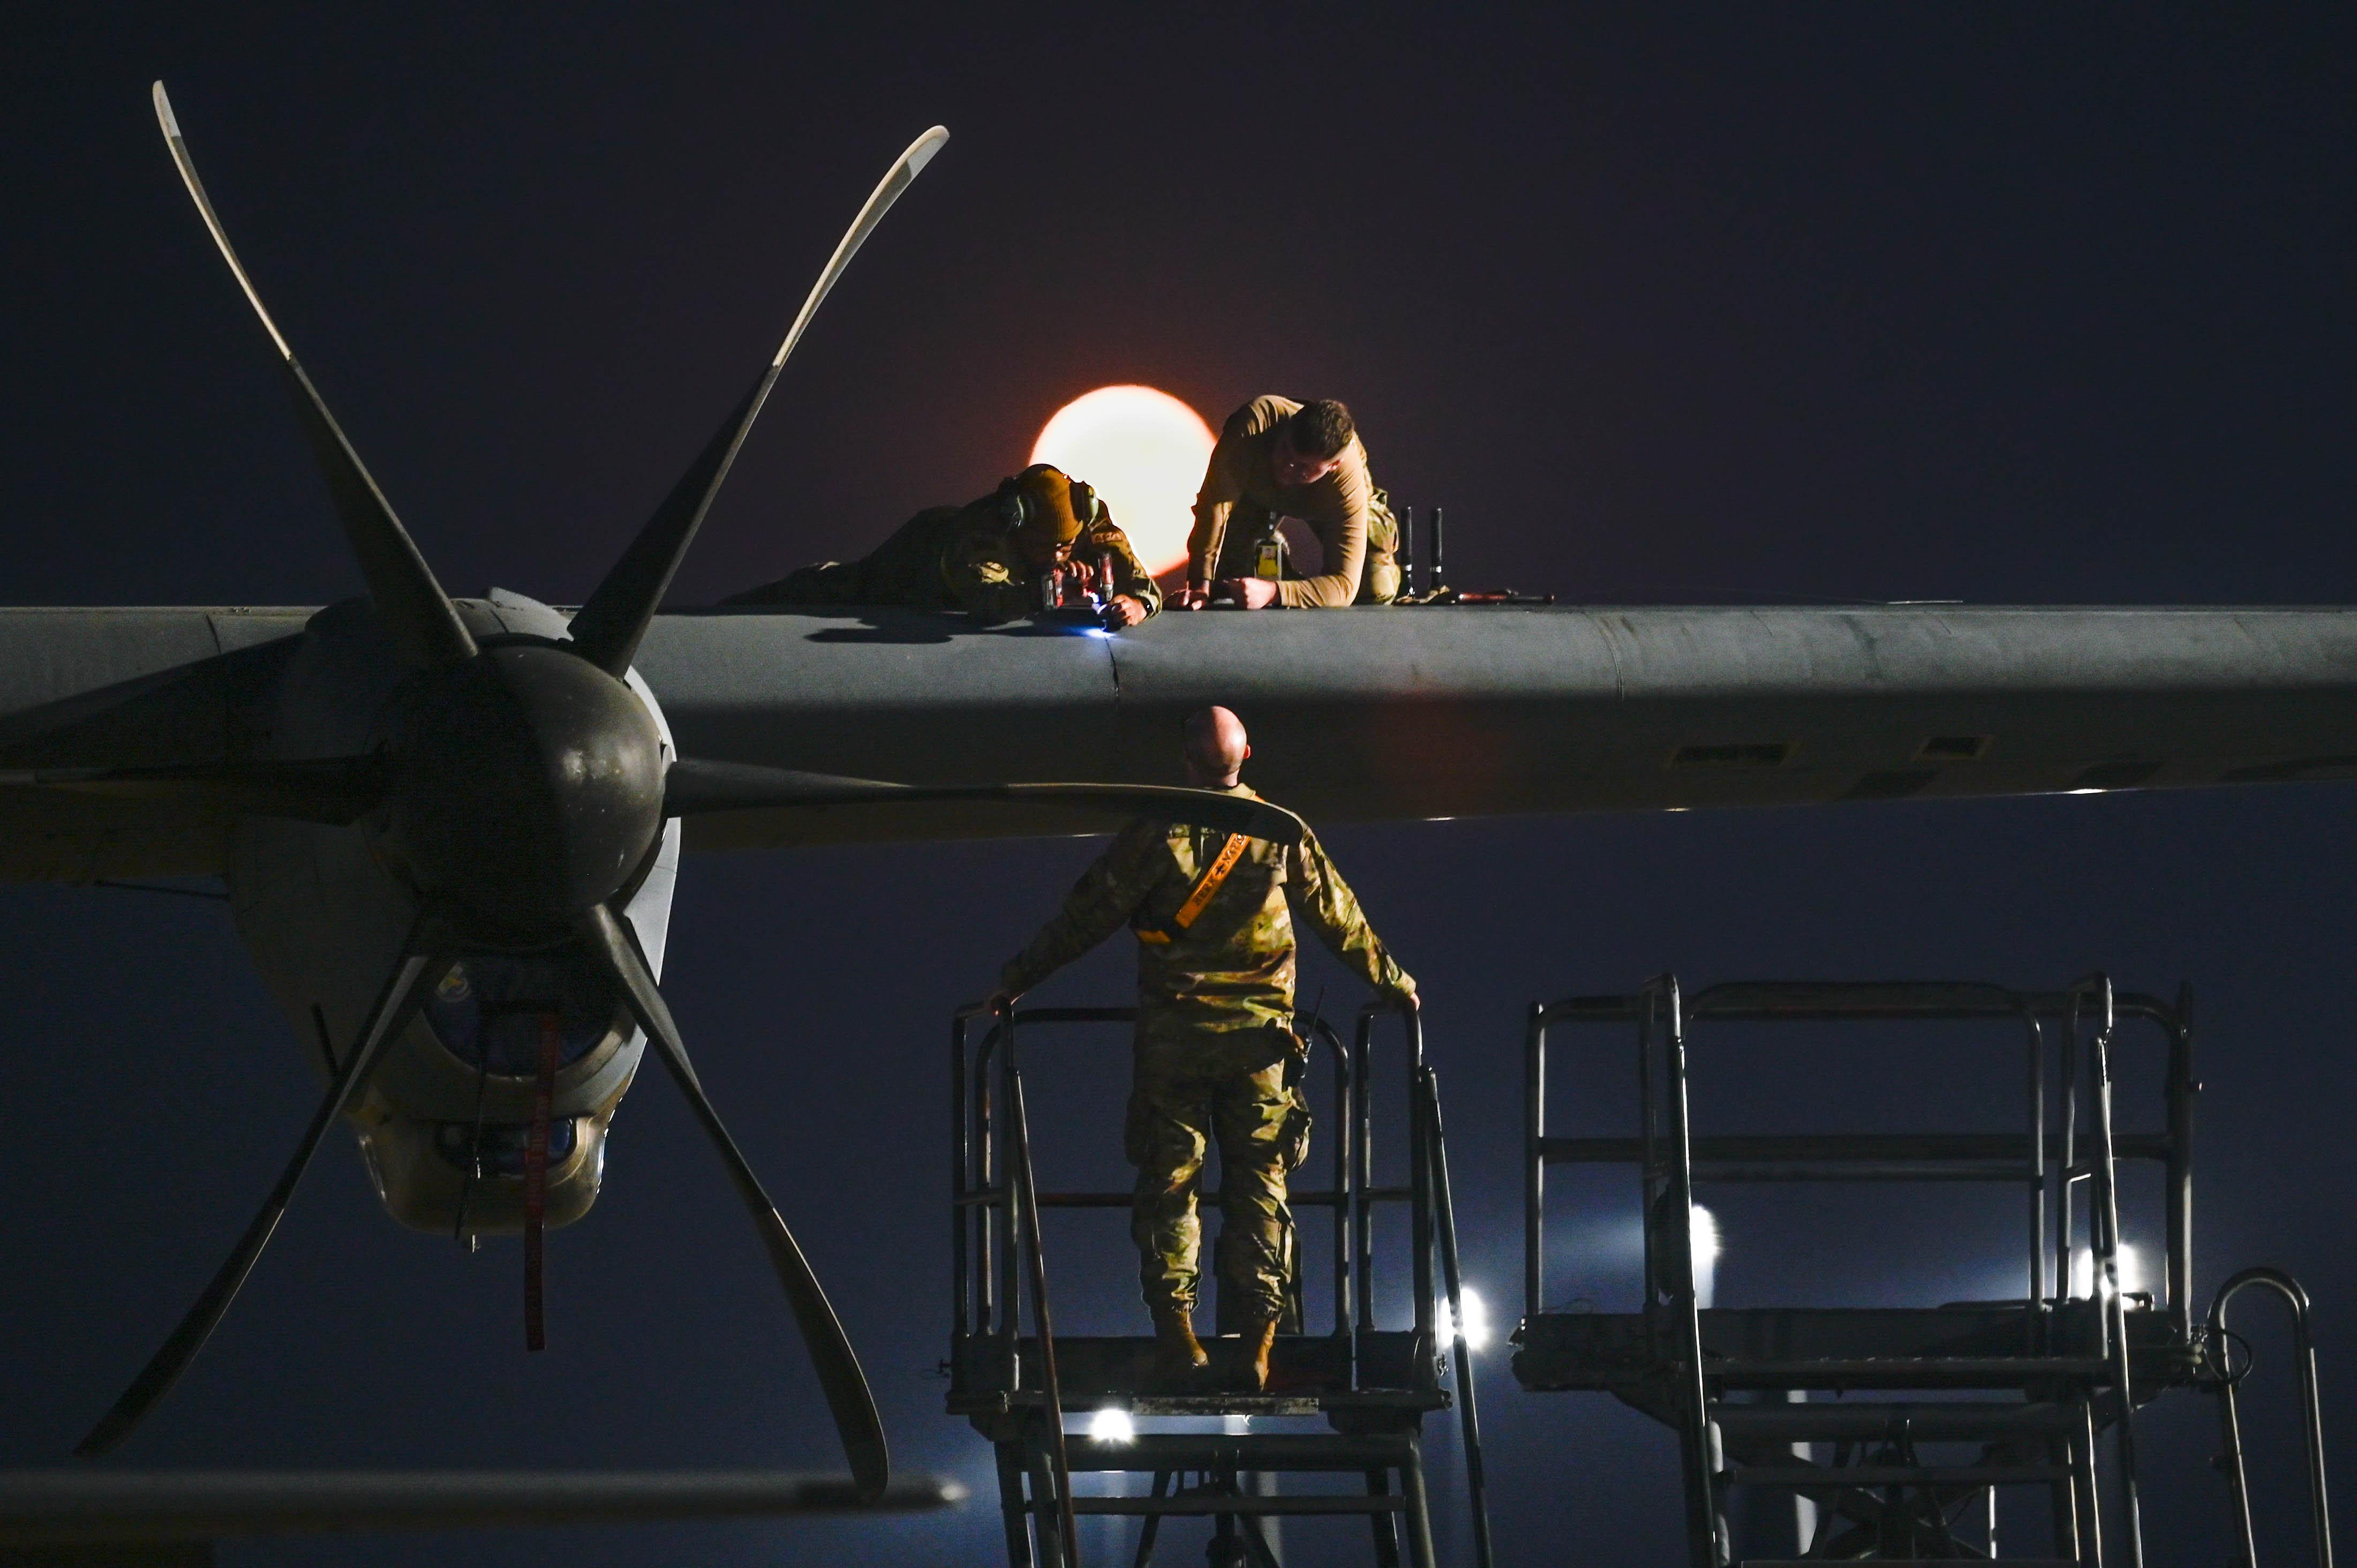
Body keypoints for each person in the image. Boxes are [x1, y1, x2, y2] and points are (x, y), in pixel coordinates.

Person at [990, 706, 1417, 1391]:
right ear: (1247, 754)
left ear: (1186, 761)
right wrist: (1396, 984)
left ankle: (1179, 1337)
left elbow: (1084, 917)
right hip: (1260, 1048)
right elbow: (1339, 917)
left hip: (1176, 1045)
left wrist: (1016, 980)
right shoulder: (1281, 831)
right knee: (1261, 1188)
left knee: (1170, 1186)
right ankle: (1258, 1342)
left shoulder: (1154, 834)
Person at [724, 464, 1160, 625]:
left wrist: (1138, 602)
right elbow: (987, 599)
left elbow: (1130, 569)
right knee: (837, 587)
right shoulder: (980, 532)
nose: (1058, 555)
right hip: (918, 563)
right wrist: (1046, 592)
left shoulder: (1085, 516)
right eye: (1044, 547)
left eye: (1065, 547)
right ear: (1017, 523)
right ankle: (731, 608)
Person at [1173, 396, 1402, 610]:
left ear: (1333, 466)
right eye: (1285, 452)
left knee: (1376, 588)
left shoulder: (1346, 478)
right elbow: (1214, 508)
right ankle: (1264, 545)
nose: (1288, 467)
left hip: (1323, 501)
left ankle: (1280, 576)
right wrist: (1199, 586)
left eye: (1304, 468)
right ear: (1285, 430)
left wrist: (1274, 592)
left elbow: (1345, 586)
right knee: (1226, 581)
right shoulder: (1254, 425)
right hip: (1255, 494)